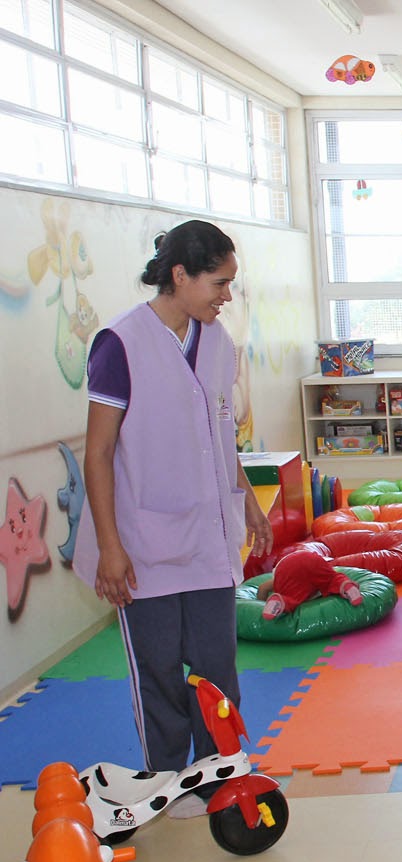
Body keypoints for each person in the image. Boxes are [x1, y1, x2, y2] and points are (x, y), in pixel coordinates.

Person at [72, 220, 274, 795]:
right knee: (159, 674)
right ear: (180, 275)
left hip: (208, 541)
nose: (227, 296)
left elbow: (220, 437)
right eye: (219, 282)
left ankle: (218, 779)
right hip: (143, 546)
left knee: (217, 673)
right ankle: (165, 783)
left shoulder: (218, 342)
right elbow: (98, 453)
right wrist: (110, 547)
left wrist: (250, 504)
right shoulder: (120, 344)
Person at [255, 549, 363, 620]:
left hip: (287, 566)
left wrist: (261, 606)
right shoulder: (313, 582)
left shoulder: (282, 579)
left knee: (291, 598)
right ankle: (345, 586)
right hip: (310, 557)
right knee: (333, 579)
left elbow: (262, 588)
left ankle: (279, 601)